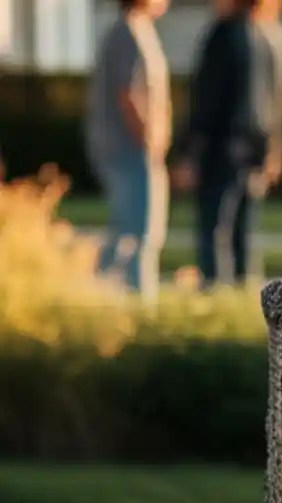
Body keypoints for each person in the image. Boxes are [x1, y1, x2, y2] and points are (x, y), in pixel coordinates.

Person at [175, 0, 282, 289]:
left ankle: (214, 290)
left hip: (221, 146)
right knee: (243, 231)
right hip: (255, 148)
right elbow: (279, 101)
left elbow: (208, 99)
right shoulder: (272, 36)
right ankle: (245, 289)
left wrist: (190, 152)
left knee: (213, 228)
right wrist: (274, 148)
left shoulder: (225, 35)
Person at [85, 0, 172, 301]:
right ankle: (133, 300)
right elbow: (127, 94)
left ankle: (117, 294)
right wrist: (147, 137)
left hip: (139, 148)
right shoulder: (125, 32)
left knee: (137, 230)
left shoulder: (140, 30)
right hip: (128, 148)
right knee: (135, 232)